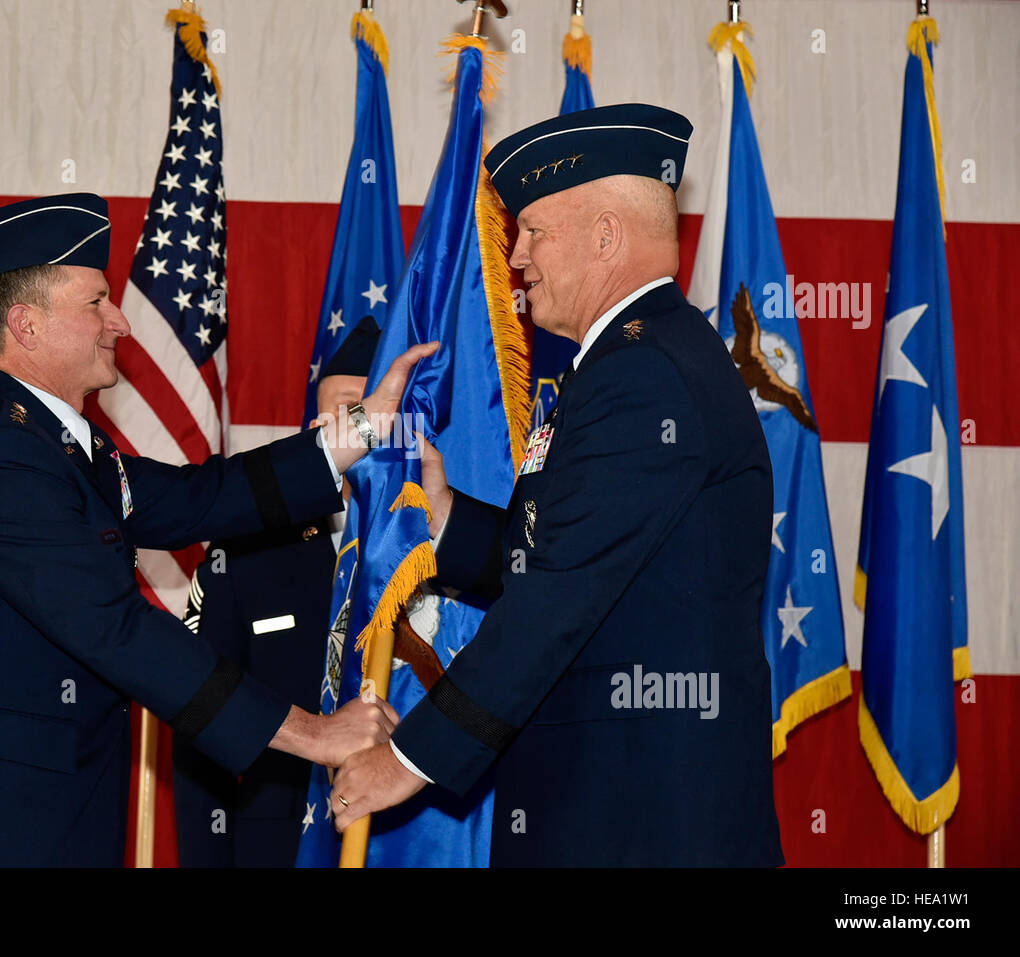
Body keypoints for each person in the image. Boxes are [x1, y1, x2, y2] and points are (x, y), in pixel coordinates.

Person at [0, 194, 433, 866]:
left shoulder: (59, 447)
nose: (121, 321)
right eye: (96, 302)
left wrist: (365, 424)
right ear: (26, 325)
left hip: (53, 825)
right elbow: (120, 631)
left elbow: (201, 497)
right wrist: (313, 734)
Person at [331, 105, 785, 866]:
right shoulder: (632, 360)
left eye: (535, 229)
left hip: (638, 822)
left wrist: (409, 757)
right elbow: (565, 556)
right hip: (614, 807)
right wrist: (446, 516)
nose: (517, 257)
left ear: (607, 235)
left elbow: (556, 601)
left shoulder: (644, 372)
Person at [173, 317, 379, 867]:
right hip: (278, 844)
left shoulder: (443, 548)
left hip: (416, 840)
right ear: (316, 425)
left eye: (373, 411)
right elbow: (203, 724)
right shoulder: (248, 549)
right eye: (343, 410)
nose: (358, 428)